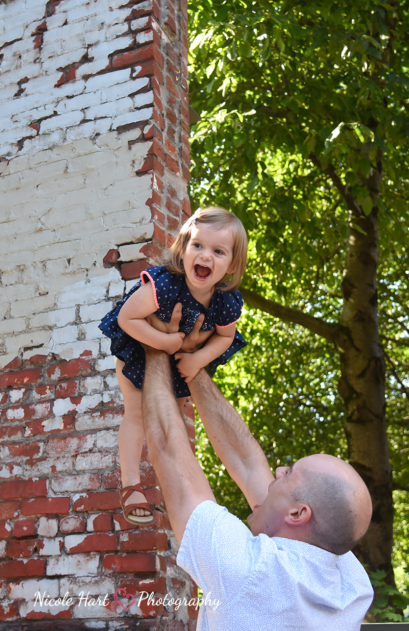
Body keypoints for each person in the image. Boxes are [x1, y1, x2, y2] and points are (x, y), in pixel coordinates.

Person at [140, 304, 374, 629]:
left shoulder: (249, 572)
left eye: (289, 473)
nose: (278, 471)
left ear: (298, 514)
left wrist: (155, 347)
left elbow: (168, 449)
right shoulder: (352, 584)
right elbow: (247, 462)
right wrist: (192, 365)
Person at [99, 207, 249, 525]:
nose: (205, 255)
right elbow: (127, 317)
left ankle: (179, 491)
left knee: (174, 422)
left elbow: (225, 338)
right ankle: (130, 484)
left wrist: (197, 359)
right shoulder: (166, 284)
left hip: (178, 358)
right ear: (183, 249)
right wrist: (163, 341)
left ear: (232, 264)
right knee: (136, 411)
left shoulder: (225, 301)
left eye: (218, 251)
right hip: (138, 346)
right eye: (198, 245)